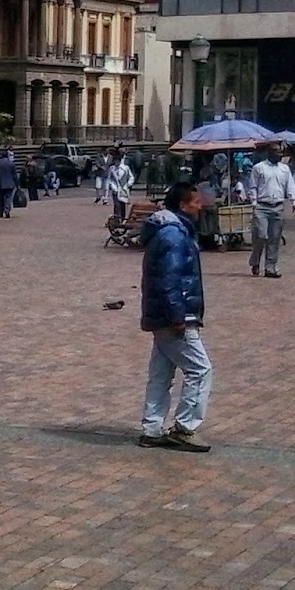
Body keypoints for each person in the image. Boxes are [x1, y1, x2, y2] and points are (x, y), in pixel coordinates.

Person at [137, 180, 212, 453]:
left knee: (161, 373)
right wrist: (178, 316)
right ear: (182, 205)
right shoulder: (173, 236)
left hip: (163, 314)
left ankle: (152, 428)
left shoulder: (170, 232)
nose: (200, 206)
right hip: (174, 316)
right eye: (196, 202)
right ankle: (185, 427)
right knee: (200, 369)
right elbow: (169, 280)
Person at [247, 146, 295, 278]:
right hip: (261, 206)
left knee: (274, 238)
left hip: (278, 206)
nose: (280, 154)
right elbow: (252, 186)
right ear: (269, 153)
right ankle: (255, 261)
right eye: (277, 152)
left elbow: (290, 186)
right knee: (261, 236)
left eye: (281, 152)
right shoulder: (258, 168)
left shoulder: (284, 169)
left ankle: (270, 267)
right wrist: (254, 202)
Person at [109, 148, 136, 220]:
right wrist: (112, 186)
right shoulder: (112, 169)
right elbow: (110, 179)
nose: (116, 163)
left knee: (122, 204)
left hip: (123, 189)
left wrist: (128, 185)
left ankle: (123, 218)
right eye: (115, 161)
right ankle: (117, 218)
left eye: (117, 161)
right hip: (115, 189)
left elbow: (131, 177)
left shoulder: (125, 168)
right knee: (116, 204)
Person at [0, 149, 18, 218]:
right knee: (8, 198)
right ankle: (7, 210)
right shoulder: (11, 164)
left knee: (0, 198)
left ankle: (0, 212)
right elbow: (15, 175)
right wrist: (17, 184)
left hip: (0, 184)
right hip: (10, 184)